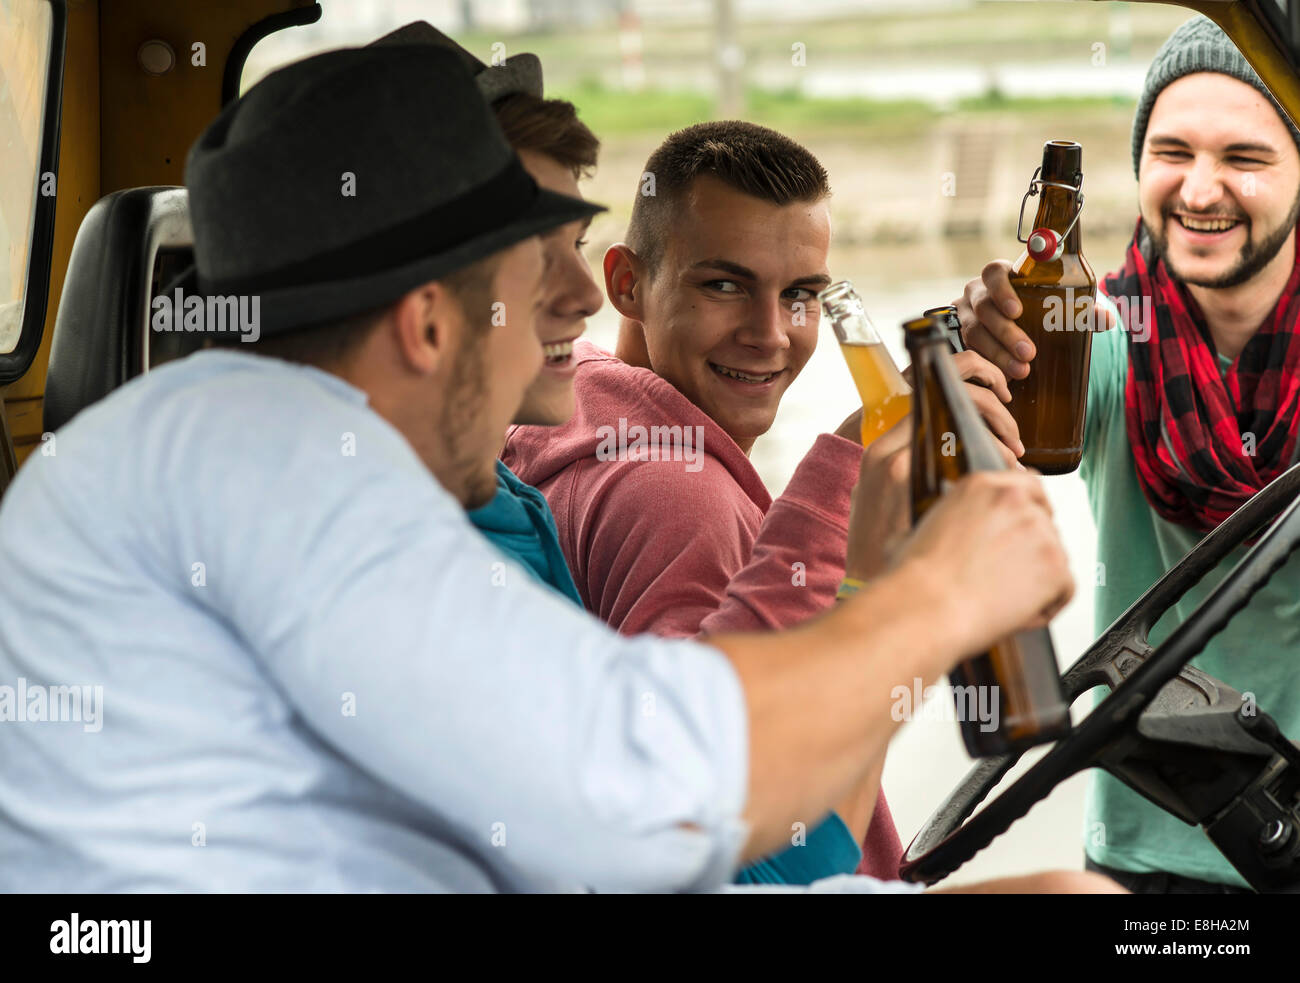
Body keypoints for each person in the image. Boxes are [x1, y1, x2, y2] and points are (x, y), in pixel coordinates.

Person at [0, 42, 1108, 894]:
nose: (577, 305)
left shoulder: (295, 456)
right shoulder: (273, 471)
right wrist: (930, 596)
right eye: (537, 264)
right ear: (431, 322)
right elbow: (641, 792)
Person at [504, 120, 1022, 880]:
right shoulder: (678, 496)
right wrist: (847, 494)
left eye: (801, 295)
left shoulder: (568, 399)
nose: (771, 334)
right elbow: (716, 841)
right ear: (626, 284)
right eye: (724, 285)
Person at [956, 15, 1300, 893]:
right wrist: (973, 374)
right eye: (1171, 152)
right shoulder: (1096, 333)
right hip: (1143, 858)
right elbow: (971, 473)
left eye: (1245, 158)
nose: (1201, 188)